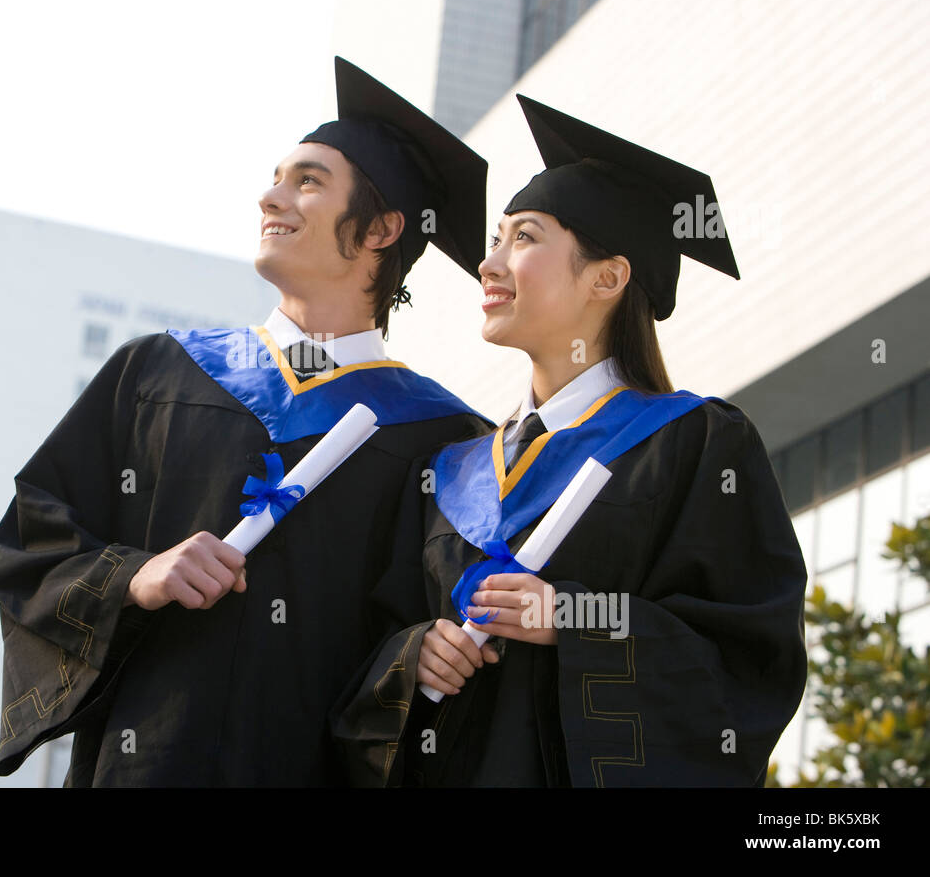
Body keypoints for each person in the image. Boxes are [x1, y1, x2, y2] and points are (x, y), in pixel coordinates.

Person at [0, 58, 493, 786]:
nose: (270, 196)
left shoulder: (443, 440)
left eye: (307, 181)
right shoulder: (157, 376)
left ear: (382, 228)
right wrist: (136, 576)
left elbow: (432, 662)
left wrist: (422, 657)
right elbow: (25, 551)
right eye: (277, 176)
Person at [332, 95, 809, 786]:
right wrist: (414, 658)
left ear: (608, 277)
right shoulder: (453, 470)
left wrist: (577, 620)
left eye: (523, 238)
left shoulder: (693, 445)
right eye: (496, 240)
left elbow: (749, 662)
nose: (489, 266)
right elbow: (364, 644)